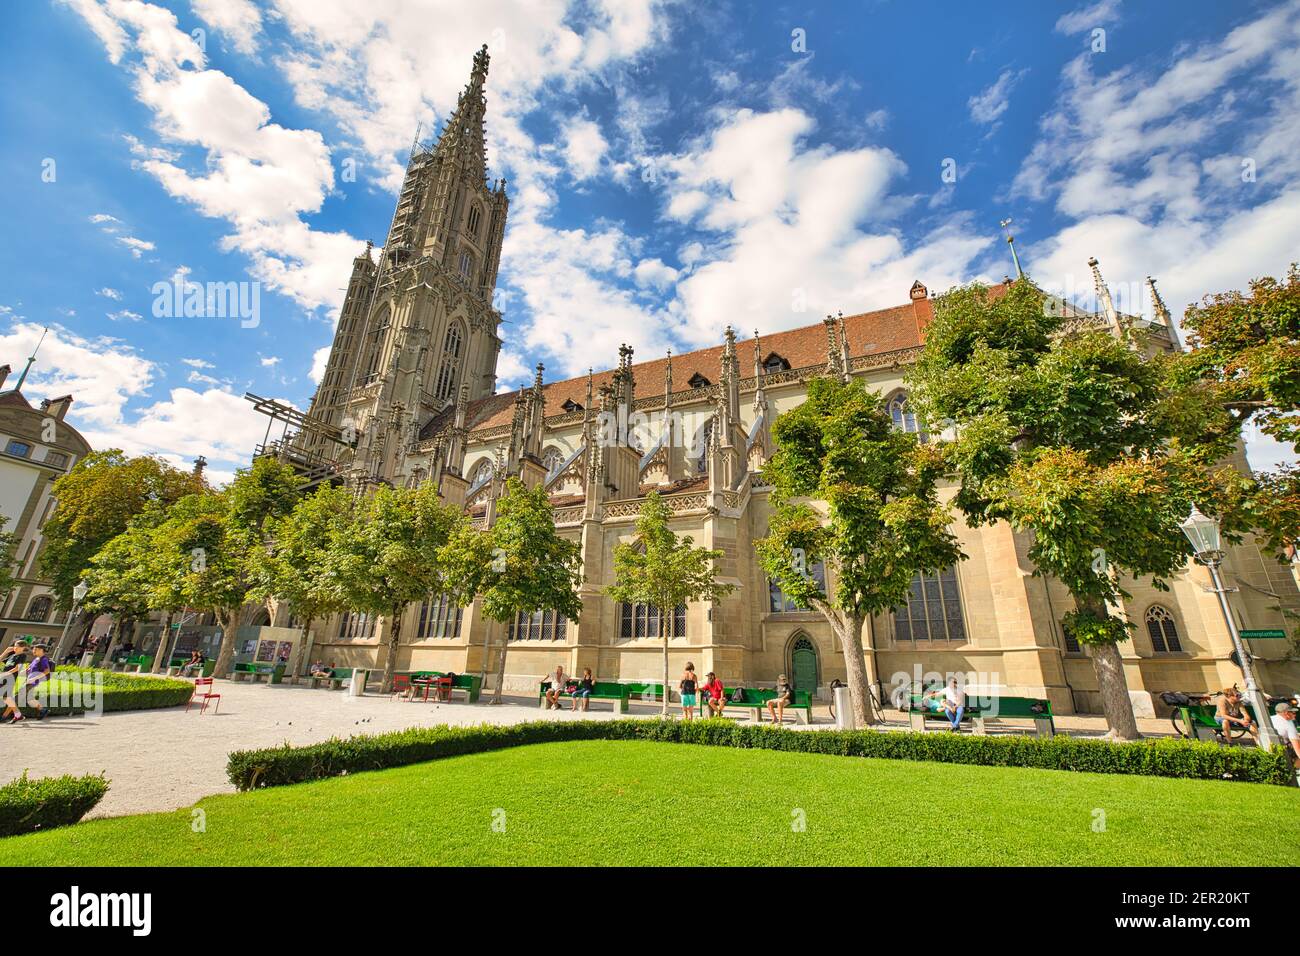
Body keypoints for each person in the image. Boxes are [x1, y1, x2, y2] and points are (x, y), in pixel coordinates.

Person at [1, 640, 31, 723]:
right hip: (3, 678)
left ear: (23, 648)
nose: (15, 648)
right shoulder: (12, 656)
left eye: (17, 646)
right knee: (7, 698)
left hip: (10, 679)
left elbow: (18, 668)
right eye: (14, 646)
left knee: (7, 698)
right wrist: (5, 651)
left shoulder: (22, 656)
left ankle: (18, 716)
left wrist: (5, 674)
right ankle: (18, 715)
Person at [22, 644, 52, 720]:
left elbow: (47, 671)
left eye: (36, 649)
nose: (33, 651)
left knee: (18, 696)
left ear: (42, 650)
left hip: (32, 682)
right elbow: (29, 669)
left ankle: (15, 715)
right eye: (33, 649)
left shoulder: (44, 659)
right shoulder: (36, 659)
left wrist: (34, 678)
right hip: (28, 681)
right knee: (29, 698)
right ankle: (43, 710)